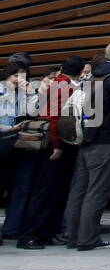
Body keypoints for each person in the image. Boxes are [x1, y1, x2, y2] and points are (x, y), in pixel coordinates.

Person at [64, 40, 110, 252]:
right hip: (104, 143)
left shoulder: (93, 76)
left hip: (86, 140)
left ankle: (73, 236)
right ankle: (88, 239)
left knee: (79, 191)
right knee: (96, 192)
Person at [14, 57, 86, 249]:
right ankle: (31, 234)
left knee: (52, 191)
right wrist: (57, 146)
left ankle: (46, 232)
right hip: (56, 146)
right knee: (46, 191)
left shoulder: (59, 84)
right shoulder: (64, 86)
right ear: (80, 72)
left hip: (57, 144)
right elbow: (54, 118)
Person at [0, 61, 39, 245]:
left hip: (21, 145)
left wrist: (29, 93)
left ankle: (12, 228)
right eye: (15, 75)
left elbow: (32, 112)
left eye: (22, 76)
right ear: (6, 75)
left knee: (21, 188)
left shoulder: (23, 93)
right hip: (3, 141)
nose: (18, 80)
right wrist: (9, 128)